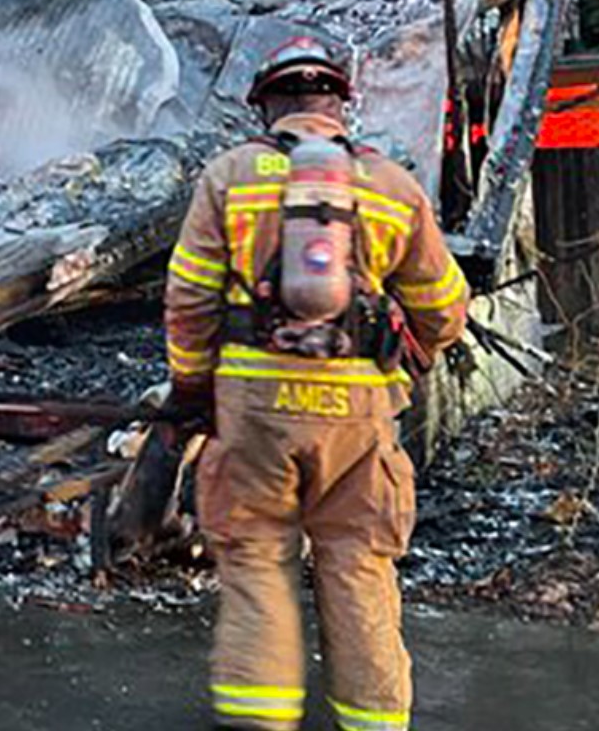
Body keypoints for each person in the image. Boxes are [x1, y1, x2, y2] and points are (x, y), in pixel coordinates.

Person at [161, 37, 470, 731]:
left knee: (257, 563)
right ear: (340, 105)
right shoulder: (392, 186)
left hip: (255, 414)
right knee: (359, 566)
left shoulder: (230, 176)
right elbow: (446, 308)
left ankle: (259, 718)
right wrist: (414, 351)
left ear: (266, 105)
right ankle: (373, 722)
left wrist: (191, 390)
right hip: (358, 416)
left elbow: (188, 302)